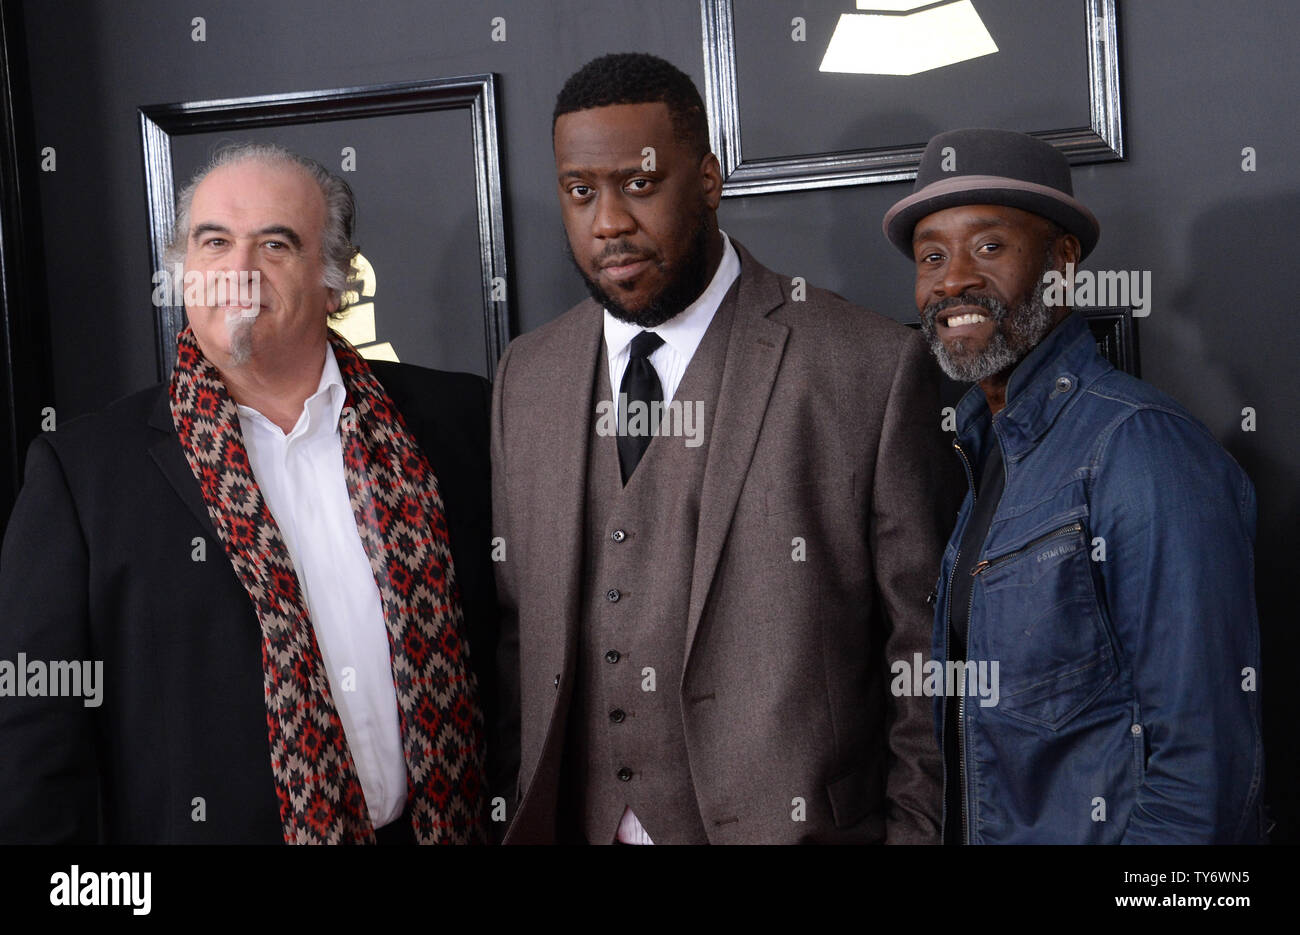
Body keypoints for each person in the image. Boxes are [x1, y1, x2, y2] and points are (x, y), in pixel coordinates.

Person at [491, 53, 954, 844]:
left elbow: (926, 653)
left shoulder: (865, 365)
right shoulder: (525, 375)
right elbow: (513, 635)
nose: (608, 222)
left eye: (639, 184)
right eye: (580, 191)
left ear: (708, 179)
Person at [0, 143, 498, 844]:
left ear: (336, 283)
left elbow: (516, 653)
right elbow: (34, 747)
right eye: (214, 242)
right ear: (182, 274)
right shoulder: (82, 474)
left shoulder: (455, 420)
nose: (238, 272)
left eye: (274, 243)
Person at [883, 127, 1267, 844]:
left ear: (1062, 263)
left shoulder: (1140, 446)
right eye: (931, 255)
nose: (952, 279)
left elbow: (1204, 765)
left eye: (988, 246)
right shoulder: (984, 450)